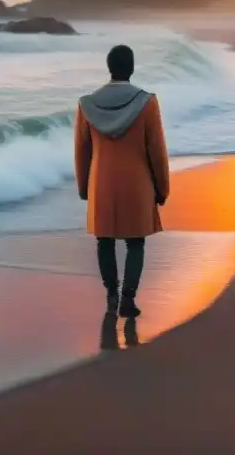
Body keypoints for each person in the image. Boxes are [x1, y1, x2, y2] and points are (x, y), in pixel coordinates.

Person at [74, 44, 170, 318]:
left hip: (101, 183)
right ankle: (128, 297)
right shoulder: (147, 103)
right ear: (131, 68)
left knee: (104, 242)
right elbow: (157, 150)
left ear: (109, 68)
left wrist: (84, 188)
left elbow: (82, 152)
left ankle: (111, 295)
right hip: (137, 184)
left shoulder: (86, 105)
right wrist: (162, 187)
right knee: (135, 243)